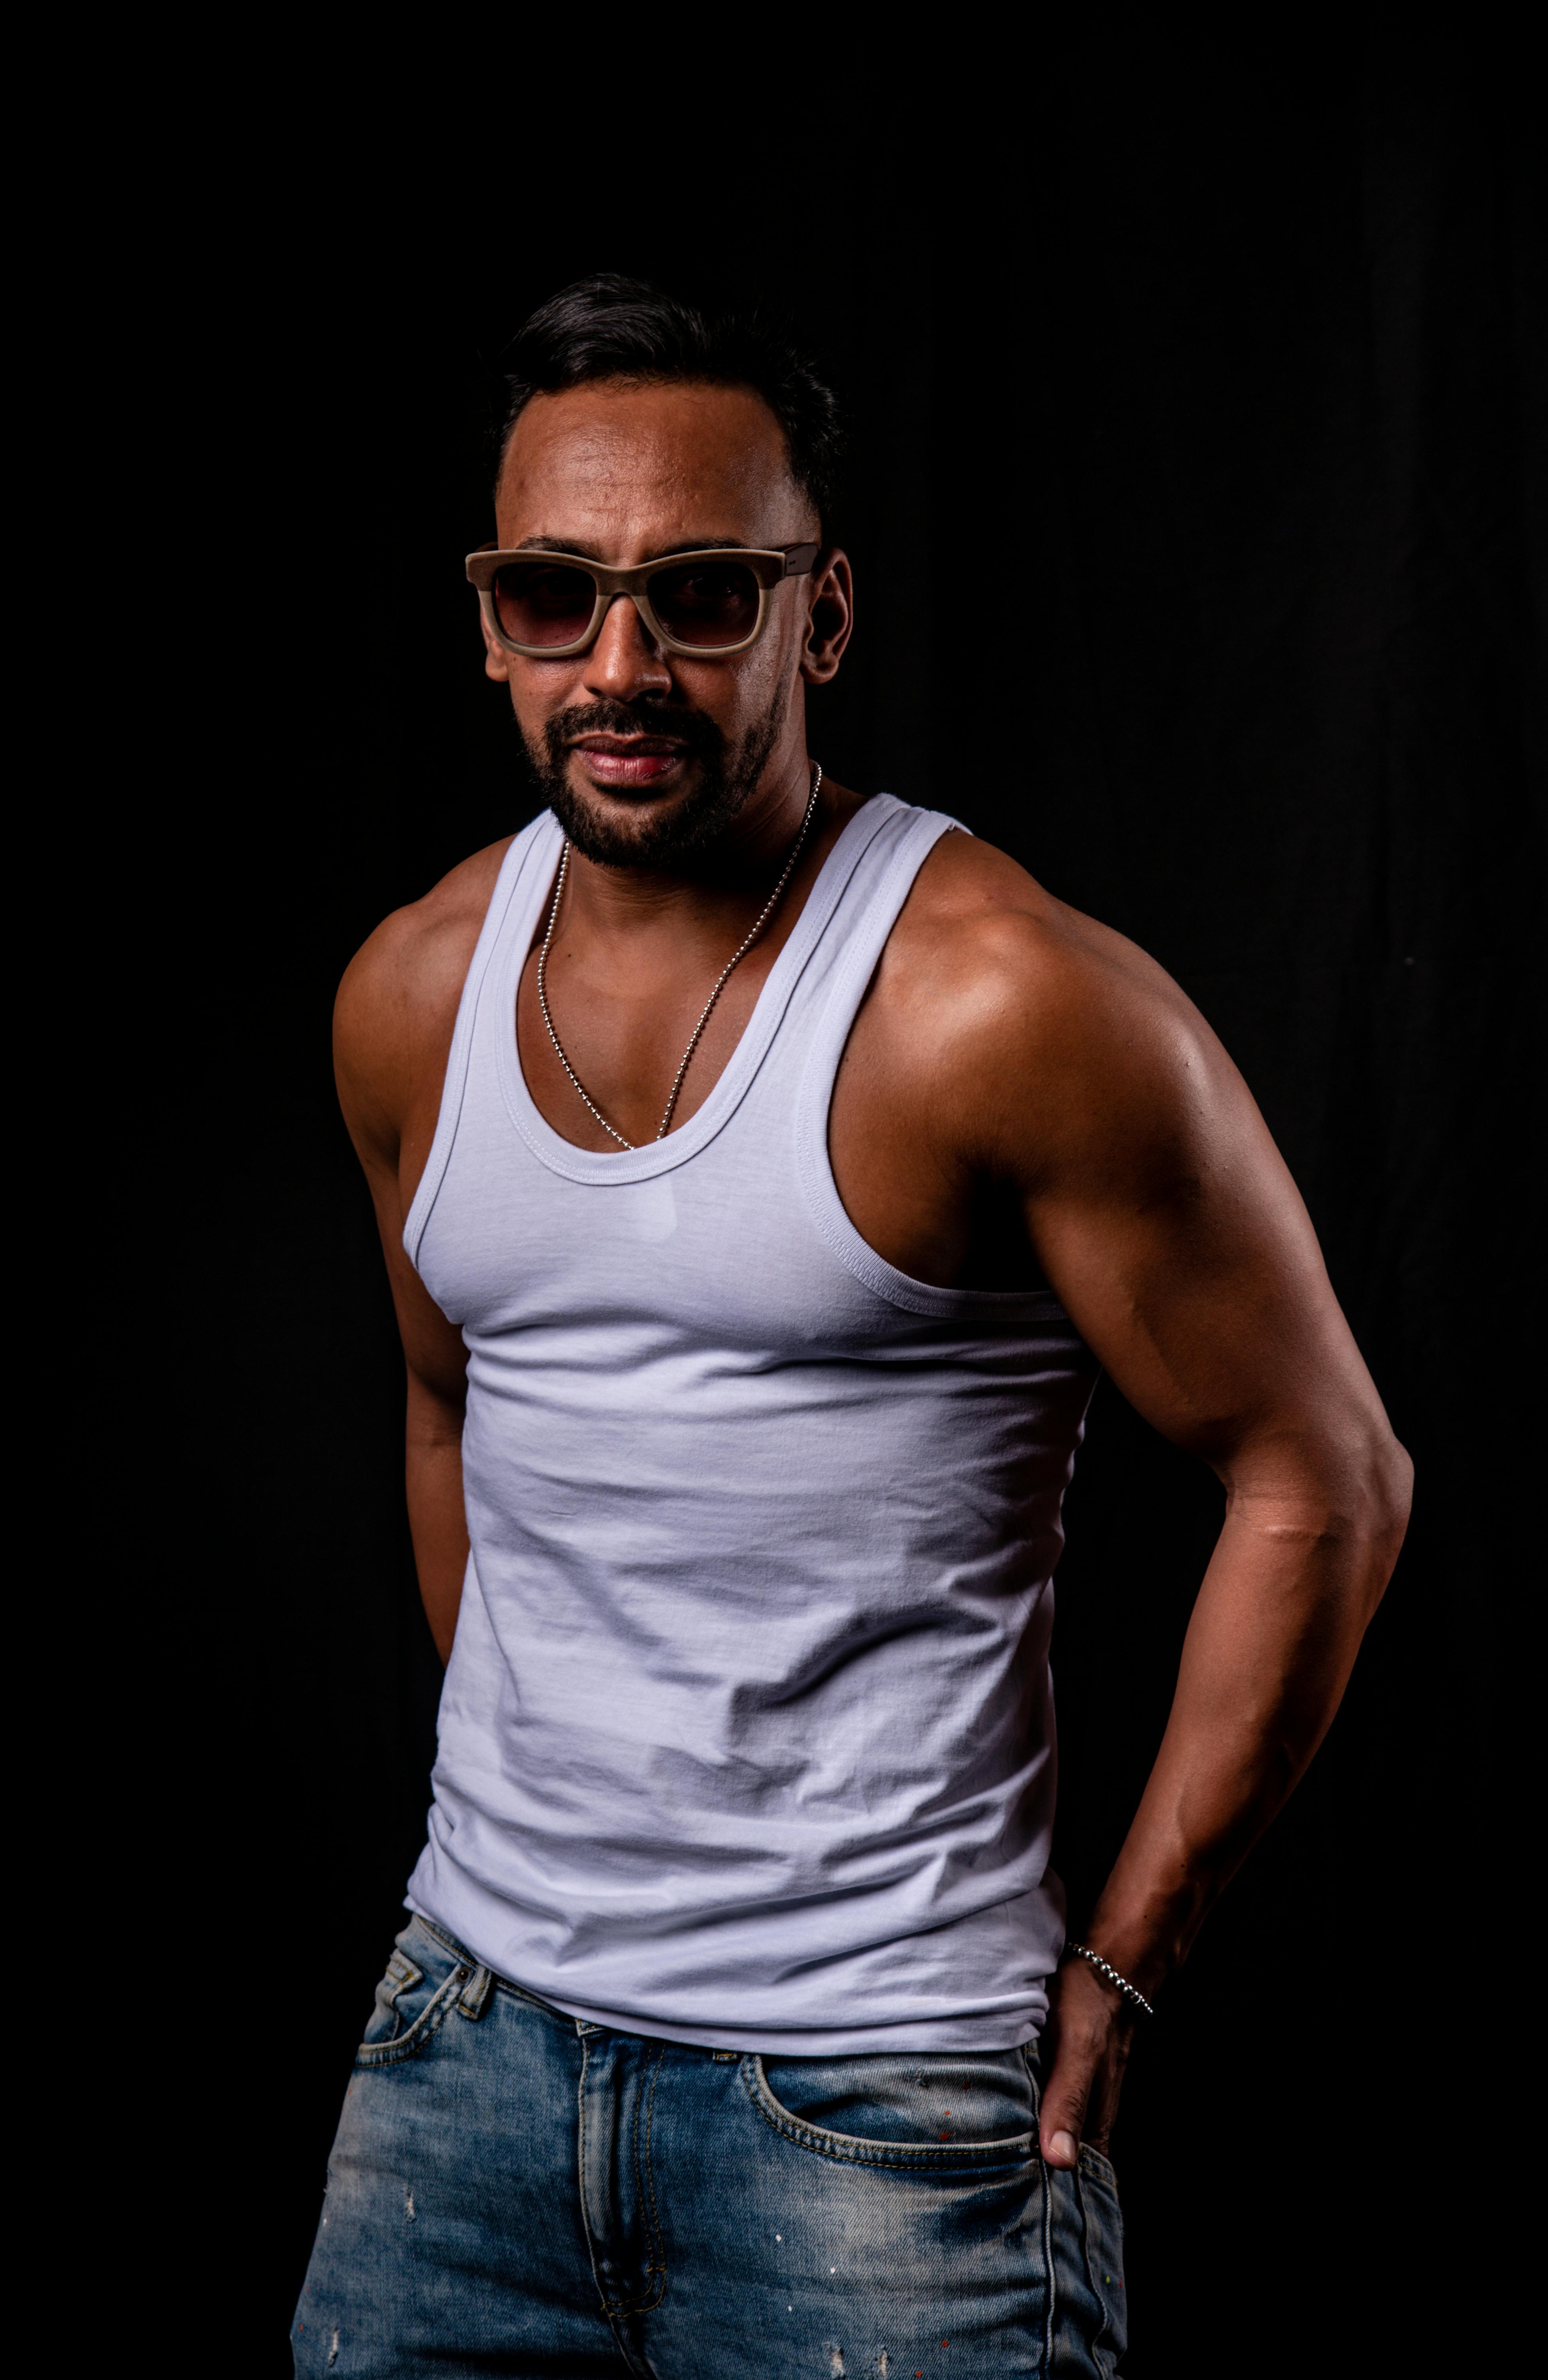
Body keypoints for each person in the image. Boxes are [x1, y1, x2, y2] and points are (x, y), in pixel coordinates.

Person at [294, 275, 1412, 2376]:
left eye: (703, 592)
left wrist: (1129, 1960)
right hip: (460, 2049)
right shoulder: (412, 995)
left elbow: (1326, 1471)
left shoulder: (999, 1005)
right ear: (489, 617)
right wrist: (567, 1820)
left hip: (876, 2115)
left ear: (823, 614)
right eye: (557, 593)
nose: (621, 666)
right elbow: (451, 1417)